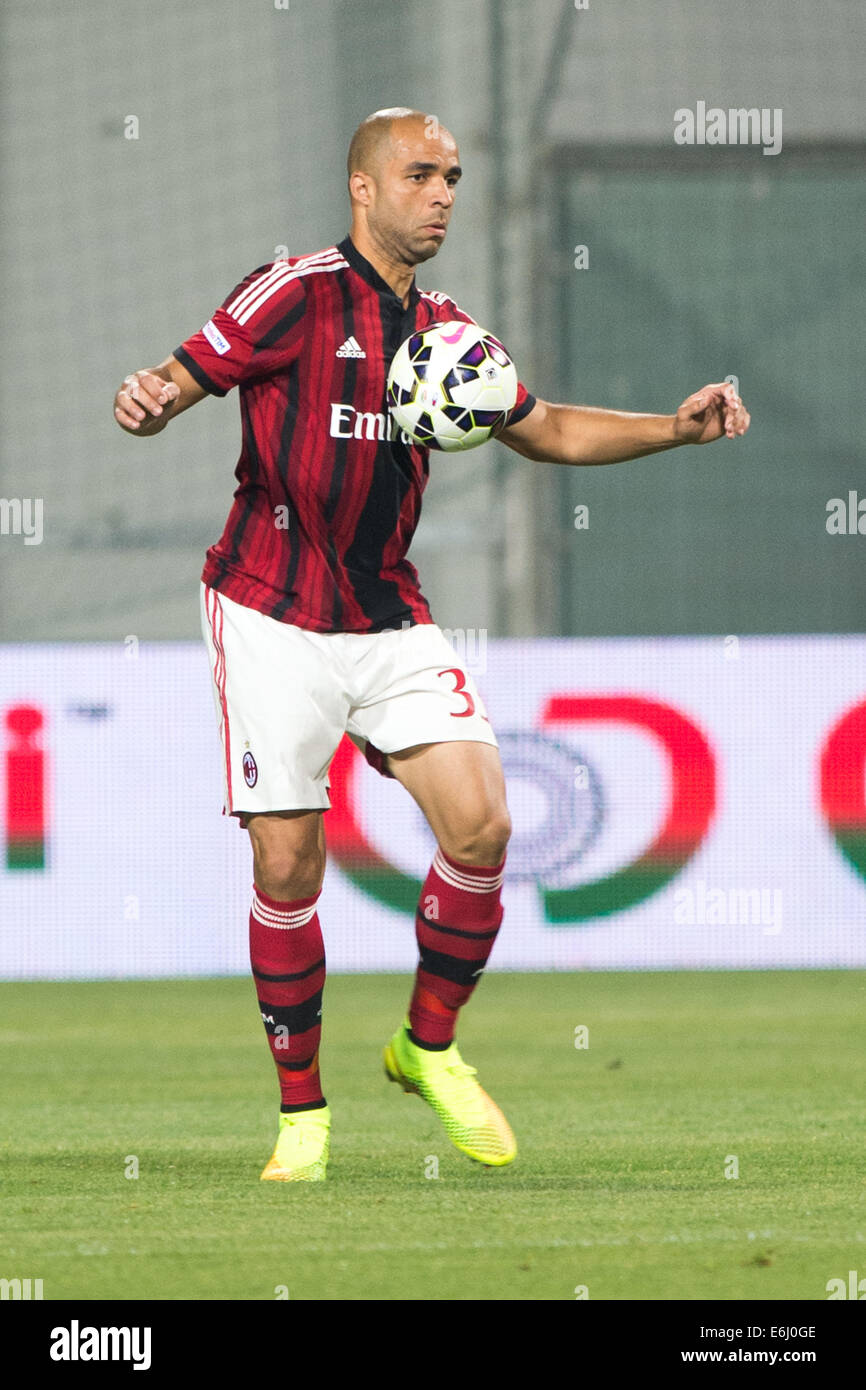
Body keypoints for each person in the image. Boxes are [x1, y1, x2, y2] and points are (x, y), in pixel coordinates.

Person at [113, 106, 750, 1183]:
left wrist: (672, 429)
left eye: (452, 176)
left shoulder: (450, 334)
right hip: (269, 607)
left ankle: (427, 1045)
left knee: (484, 823)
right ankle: (303, 1117)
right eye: (420, 174)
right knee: (286, 859)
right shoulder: (293, 292)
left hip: (385, 612)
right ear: (362, 187)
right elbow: (184, 372)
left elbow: (545, 427)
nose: (443, 193)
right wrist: (151, 398)